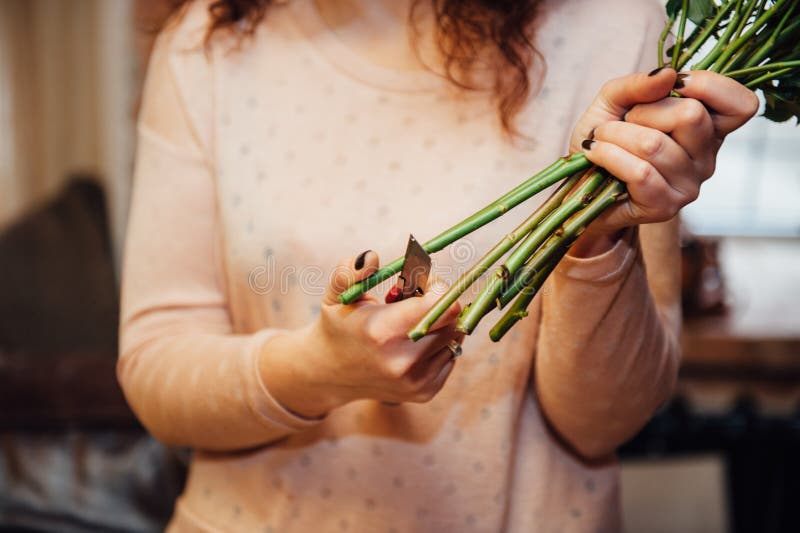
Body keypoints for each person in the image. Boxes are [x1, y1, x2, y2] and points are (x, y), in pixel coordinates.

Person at [118, 0, 758, 530]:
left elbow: (601, 428)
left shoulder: (616, 26)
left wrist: (592, 235)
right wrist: (318, 369)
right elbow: (157, 364)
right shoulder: (208, 45)